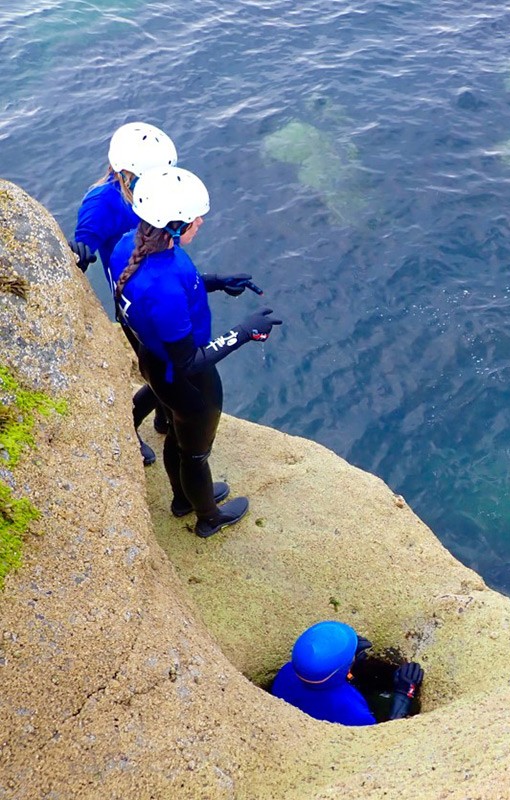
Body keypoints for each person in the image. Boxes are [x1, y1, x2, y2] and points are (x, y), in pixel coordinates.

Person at [109, 166, 281, 538]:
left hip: (155, 364)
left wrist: (216, 282)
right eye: (193, 219)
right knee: (194, 453)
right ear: (172, 226)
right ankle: (208, 517)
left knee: (177, 435)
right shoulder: (166, 287)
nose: (200, 222)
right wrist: (244, 332)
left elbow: (164, 291)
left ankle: (183, 499)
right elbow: (188, 360)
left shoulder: (126, 247)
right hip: (187, 381)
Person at [69, 122, 179, 465]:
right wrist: (78, 252)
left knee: (166, 364)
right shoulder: (101, 202)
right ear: (128, 173)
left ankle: (164, 416)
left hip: (156, 290)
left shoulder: (151, 190)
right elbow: (82, 245)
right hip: (133, 303)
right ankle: (128, 428)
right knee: (162, 369)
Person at [271, 621, 424, 726]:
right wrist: (404, 696)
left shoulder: (286, 673)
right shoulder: (353, 711)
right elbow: (382, 738)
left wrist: (346, 652)